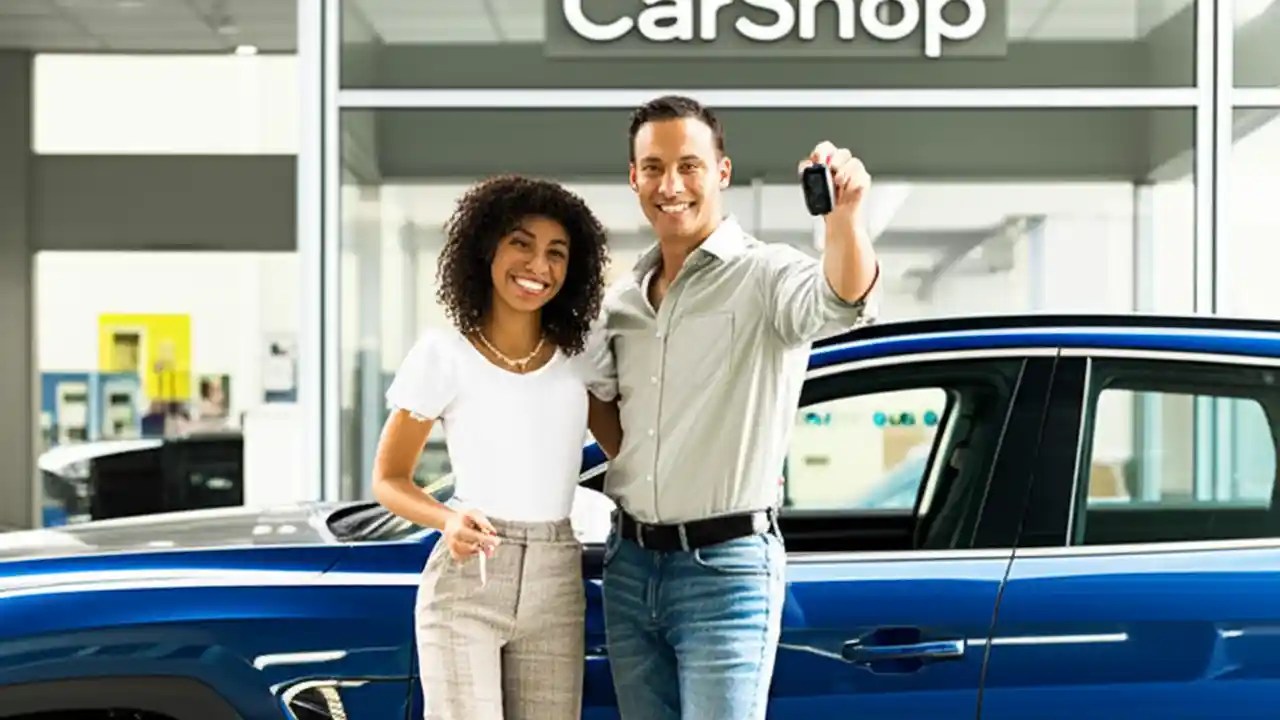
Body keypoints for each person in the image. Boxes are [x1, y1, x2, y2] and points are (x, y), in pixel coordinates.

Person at [581, 95, 881, 719]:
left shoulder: (766, 277)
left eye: (689, 166)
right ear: (633, 178)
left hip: (725, 572)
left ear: (721, 172)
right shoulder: (622, 303)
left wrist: (845, 218)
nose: (671, 185)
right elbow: (610, 415)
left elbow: (840, 295)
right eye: (654, 167)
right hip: (630, 567)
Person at [371, 174, 614, 720]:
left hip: (557, 572)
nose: (538, 266)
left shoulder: (582, 358)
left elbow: (627, 451)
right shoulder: (443, 355)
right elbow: (388, 479)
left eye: (557, 253)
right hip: (467, 576)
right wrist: (446, 521)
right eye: (521, 244)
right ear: (487, 249)